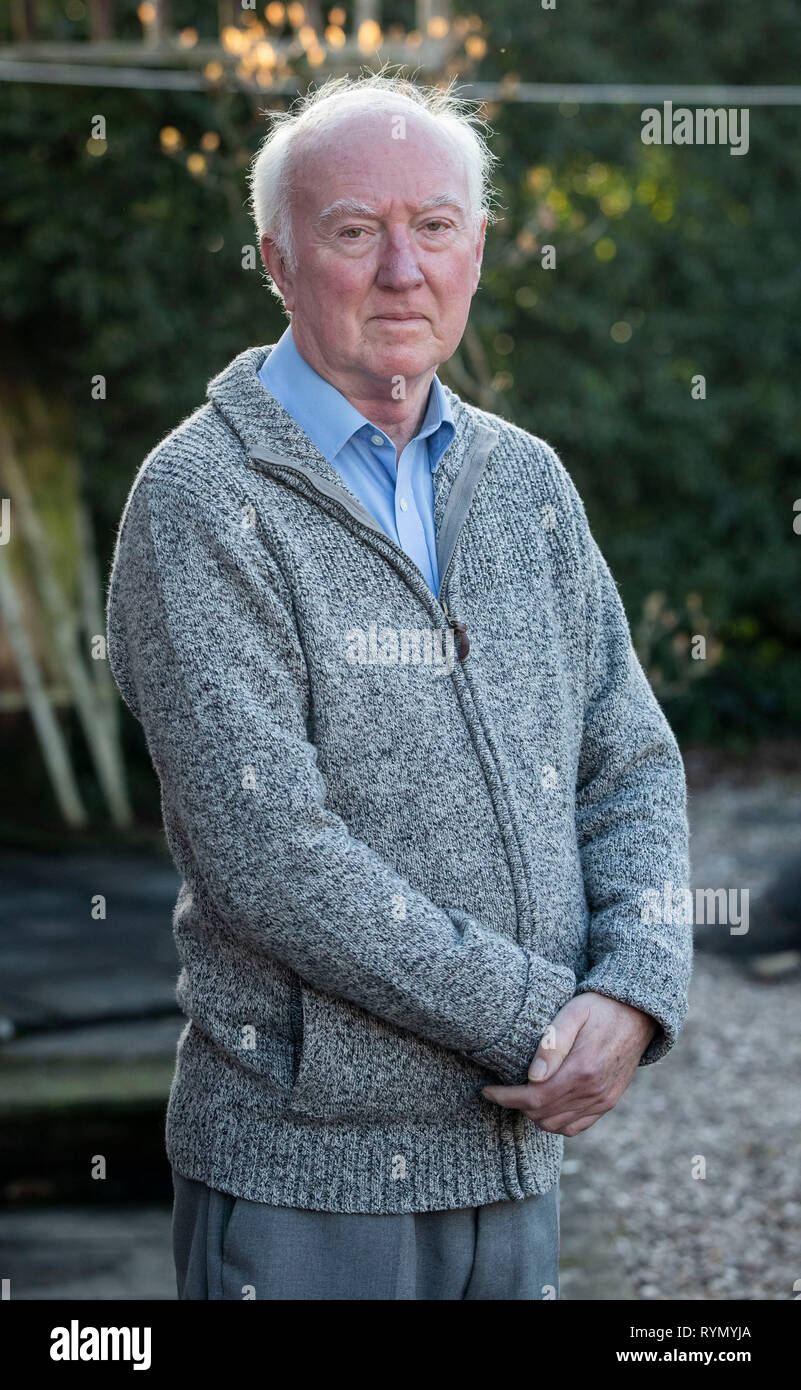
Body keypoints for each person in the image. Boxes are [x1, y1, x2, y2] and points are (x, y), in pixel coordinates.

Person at [105, 70, 693, 1300]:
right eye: (355, 231)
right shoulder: (203, 501)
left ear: (477, 249)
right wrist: (548, 1020)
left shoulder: (527, 485)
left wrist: (632, 991)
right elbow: (272, 855)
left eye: (433, 228)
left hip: (510, 1166)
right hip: (303, 1187)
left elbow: (627, 759)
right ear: (276, 257)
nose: (401, 271)